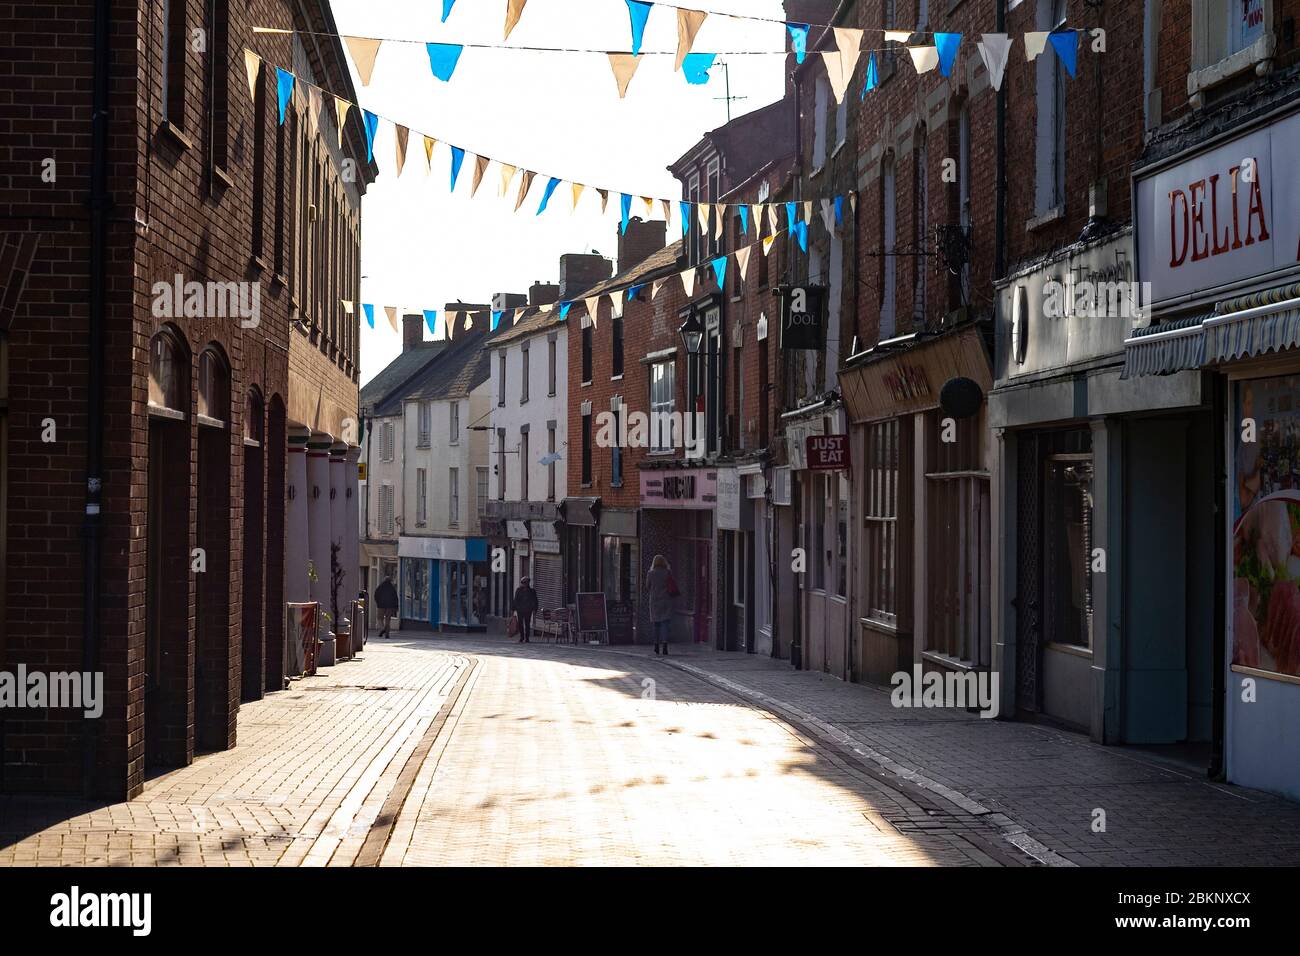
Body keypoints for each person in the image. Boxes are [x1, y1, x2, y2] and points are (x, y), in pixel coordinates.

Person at [644, 554, 674, 655]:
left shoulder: (650, 573)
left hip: (654, 601)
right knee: (665, 623)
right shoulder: (667, 572)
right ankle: (665, 645)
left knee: (656, 624)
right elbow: (671, 584)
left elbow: (647, 586)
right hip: (666, 600)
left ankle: (656, 645)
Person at [513, 576, 538, 643]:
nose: (524, 584)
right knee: (520, 624)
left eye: (525, 582)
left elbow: (535, 600)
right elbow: (516, 600)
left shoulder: (532, 591)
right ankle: (522, 637)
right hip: (520, 610)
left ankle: (527, 638)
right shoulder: (518, 590)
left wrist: (535, 609)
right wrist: (514, 609)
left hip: (528, 610)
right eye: (523, 582)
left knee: (527, 624)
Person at [374, 574, 398, 638]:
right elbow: (395, 598)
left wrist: (378, 602)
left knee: (379, 618)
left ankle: (382, 629)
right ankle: (387, 634)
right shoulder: (392, 588)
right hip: (390, 606)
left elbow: (376, 595)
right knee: (388, 620)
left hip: (381, 605)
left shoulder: (380, 587)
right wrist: (396, 607)